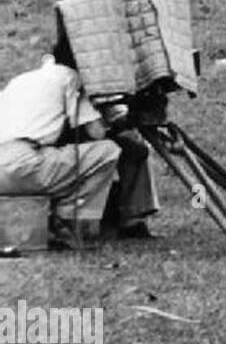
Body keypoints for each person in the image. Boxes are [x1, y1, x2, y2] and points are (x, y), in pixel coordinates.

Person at [0, 54, 159, 247]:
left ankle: (122, 222)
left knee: (124, 148)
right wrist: (113, 118)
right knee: (107, 151)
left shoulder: (22, 80)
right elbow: (96, 132)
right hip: (25, 162)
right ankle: (67, 224)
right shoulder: (72, 78)